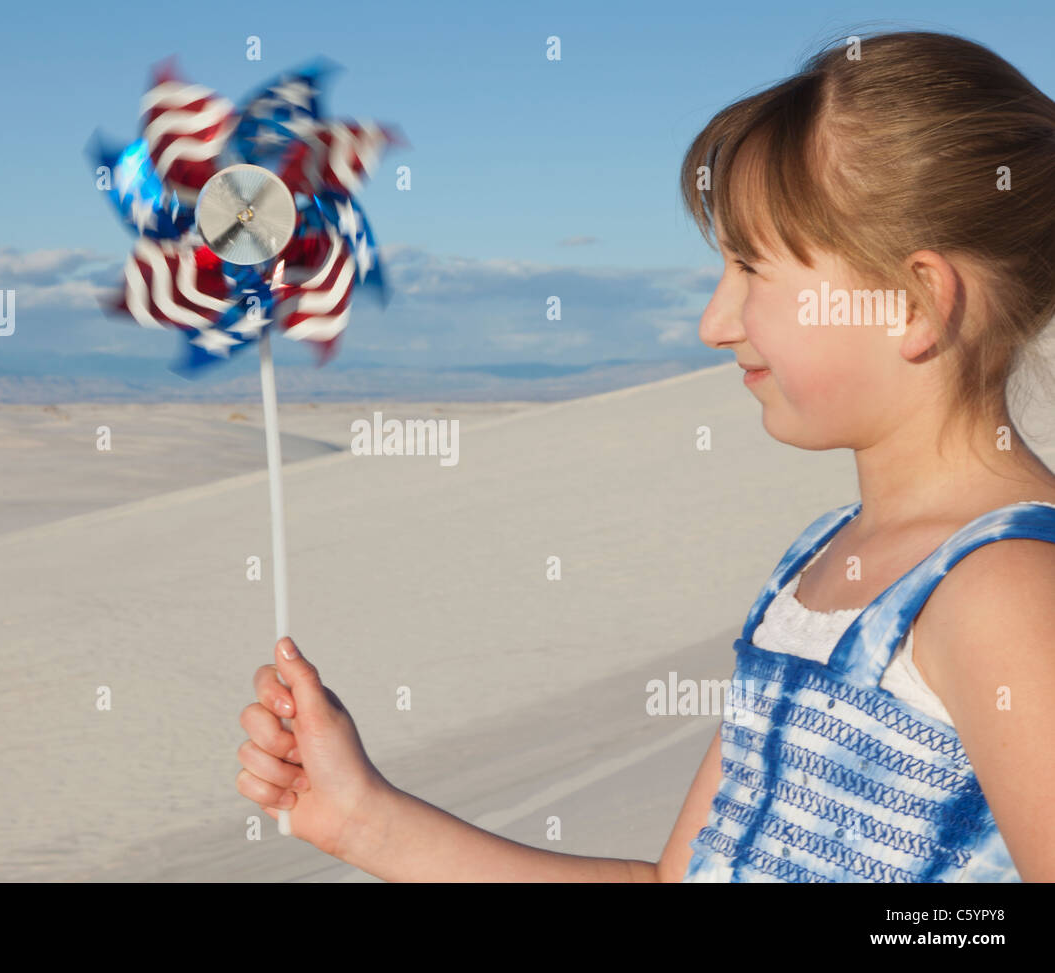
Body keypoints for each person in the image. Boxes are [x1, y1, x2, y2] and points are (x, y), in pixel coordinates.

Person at [235, 29, 1055, 881]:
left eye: (749, 268)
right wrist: (365, 822)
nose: (715, 321)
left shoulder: (1007, 590)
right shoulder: (820, 560)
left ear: (914, 303)